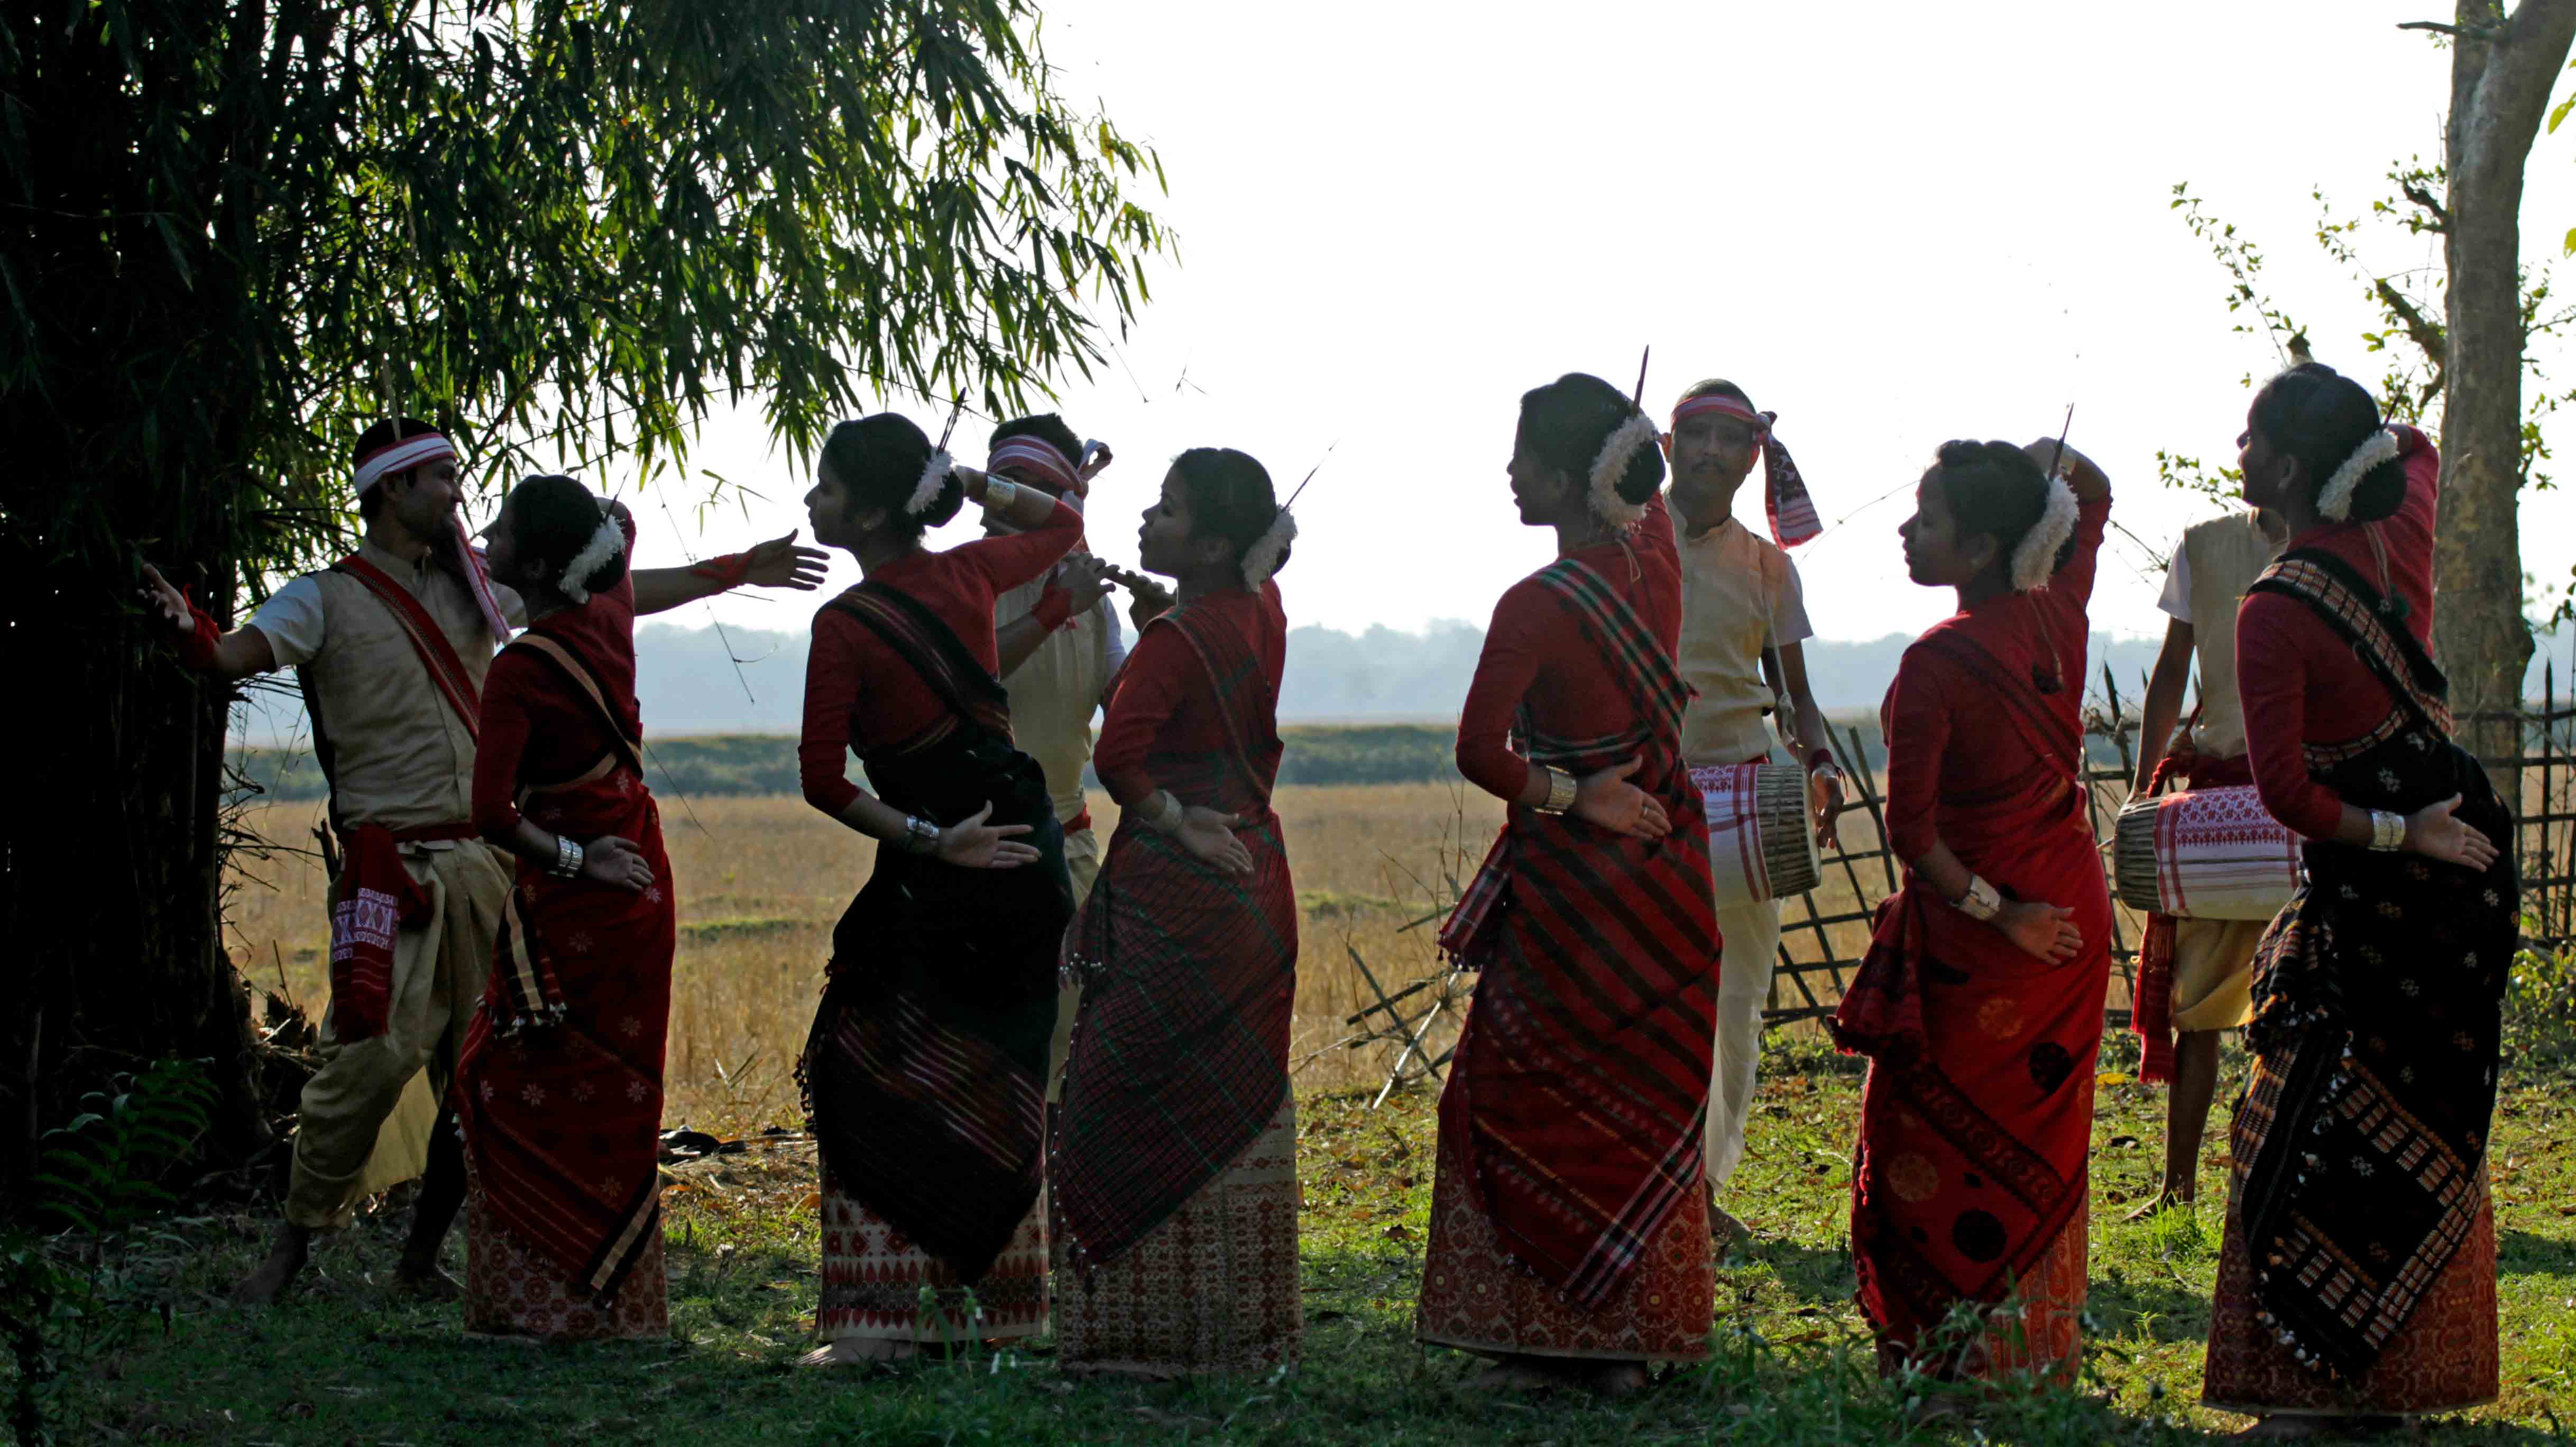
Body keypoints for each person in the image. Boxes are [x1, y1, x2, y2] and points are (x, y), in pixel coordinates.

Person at [138, 419, 823, 1305]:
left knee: (483, 1076)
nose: (461, 495)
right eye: (441, 478)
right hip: (396, 872)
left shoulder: (478, 589)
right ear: (392, 489)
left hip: (494, 866)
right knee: (368, 1062)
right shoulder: (323, 598)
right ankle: (289, 1253)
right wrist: (186, 629)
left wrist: (736, 569)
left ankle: (421, 1257)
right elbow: (231, 653)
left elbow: (609, 594)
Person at [2202, 363, 2513, 1439]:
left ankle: (2310, 1395)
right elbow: (2413, 447)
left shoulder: (2273, 609)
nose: (2236, 454)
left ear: (2288, 466)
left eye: (2250, 439)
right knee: (2423, 1109)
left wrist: (2394, 832)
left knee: (2299, 1127)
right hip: (2463, 880)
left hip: (2379, 885)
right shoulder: (2401, 536)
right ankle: (2406, 1384)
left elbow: (2289, 794)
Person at [1415, 372, 1718, 1397]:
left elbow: (1475, 749)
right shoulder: (1659, 574)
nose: (1510, 473)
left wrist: (1569, 792)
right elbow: (1653, 513)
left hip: (1571, 893)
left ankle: (1556, 1342)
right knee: (1637, 1097)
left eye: (1528, 457)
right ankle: (1633, 1337)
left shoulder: (1536, 605)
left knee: (1509, 1100)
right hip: (1667, 876)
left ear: (1573, 476)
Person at [792, 412, 1082, 1366]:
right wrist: (973, 482)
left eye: (826, 490)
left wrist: (929, 839)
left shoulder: (844, 624)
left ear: (871, 512)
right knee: (998, 1079)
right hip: (1027, 860)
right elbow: (1065, 524)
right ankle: (993, 1311)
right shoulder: (968, 572)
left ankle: (880, 1327)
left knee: (864, 1065)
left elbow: (825, 781)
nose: (811, 502)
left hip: (949, 868)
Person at [1830, 436, 2115, 1389]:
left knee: (1923, 1138)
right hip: (2068, 926)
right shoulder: (2061, 615)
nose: (1908, 532)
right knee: (2041, 1135)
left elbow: (1912, 834)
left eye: (1931, 519)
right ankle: (2029, 1355)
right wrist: (2043, 465)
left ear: (1985, 544)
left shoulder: (1938, 662)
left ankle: (1946, 1357)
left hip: (1990, 937)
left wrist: (2002, 915)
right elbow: (2093, 491)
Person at [1050, 447, 1303, 1379]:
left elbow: (1120, 762)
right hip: (1257, 881)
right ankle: (1240, 1328)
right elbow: (1213, 686)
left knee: (1117, 1105)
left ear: (1214, 541)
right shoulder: (1260, 612)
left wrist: (1171, 821)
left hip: (1177, 887)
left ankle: (1136, 1333)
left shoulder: (1172, 640)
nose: (1148, 521)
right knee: (1231, 1093)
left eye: (1169, 510)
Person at [453, 476, 673, 1340]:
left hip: (577, 891)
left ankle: (542, 1301)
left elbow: (490, 815)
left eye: (501, 531)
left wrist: (575, 856)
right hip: (641, 883)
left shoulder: (522, 669)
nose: (484, 536)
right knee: (618, 1085)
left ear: (539, 565)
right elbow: (619, 523)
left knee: (499, 1077)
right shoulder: (610, 614)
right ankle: (620, 1303)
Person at [1661, 378, 1845, 1240]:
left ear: (1751, 459)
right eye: (1692, 434)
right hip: (1640, 794)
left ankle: (1696, 1191)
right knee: (1641, 991)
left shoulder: (1769, 566)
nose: (1707, 453)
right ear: (1665, 445)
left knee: (1731, 999)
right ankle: (1641, 1188)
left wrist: (1818, 761)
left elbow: (1795, 696)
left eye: (1726, 441)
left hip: (1743, 796)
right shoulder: (1624, 545)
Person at [2123, 501, 2288, 1218]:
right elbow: (2172, 670)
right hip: (2223, 803)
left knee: (2303, 1005)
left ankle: (2283, 1183)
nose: (2245, 452)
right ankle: (2179, 1188)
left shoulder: (2350, 538)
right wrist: (2140, 786)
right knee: (2196, 1009)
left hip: (2312, 799)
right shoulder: (2206, 546)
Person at [979, 414, 1124, 1100]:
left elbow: (1124, 702)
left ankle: (1057, 1203)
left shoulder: (1095, 601)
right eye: (1002, 487)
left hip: (1070, 854)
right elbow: (968, 669)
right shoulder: (962, 580)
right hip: (975, 853)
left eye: (1033, 490)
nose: (1013, 505)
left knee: (1067, 1060)